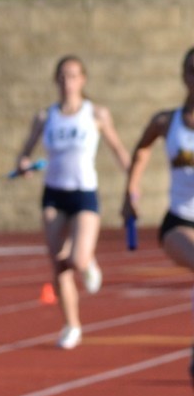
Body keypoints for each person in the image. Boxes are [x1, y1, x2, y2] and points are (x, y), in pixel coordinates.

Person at [12, 55, 130, 350]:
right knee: (58, 263)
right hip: (54, 194)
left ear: (83, 80)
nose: (68, 82)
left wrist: (133, 182)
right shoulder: (45, 117)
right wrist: (24, 164)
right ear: (56, 80)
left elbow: (117, 147)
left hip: (84, 193)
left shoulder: (96, 113)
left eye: (73, 76)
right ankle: (72, 325)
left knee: (76, 259)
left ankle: (87, 262)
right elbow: (25, 152)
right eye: (63, 76)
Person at [123, 45, 194, 382]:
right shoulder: (166, 122)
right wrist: (131, 192)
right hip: (179, 222)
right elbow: (141, 149)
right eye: (192, 70)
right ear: (183, 76)